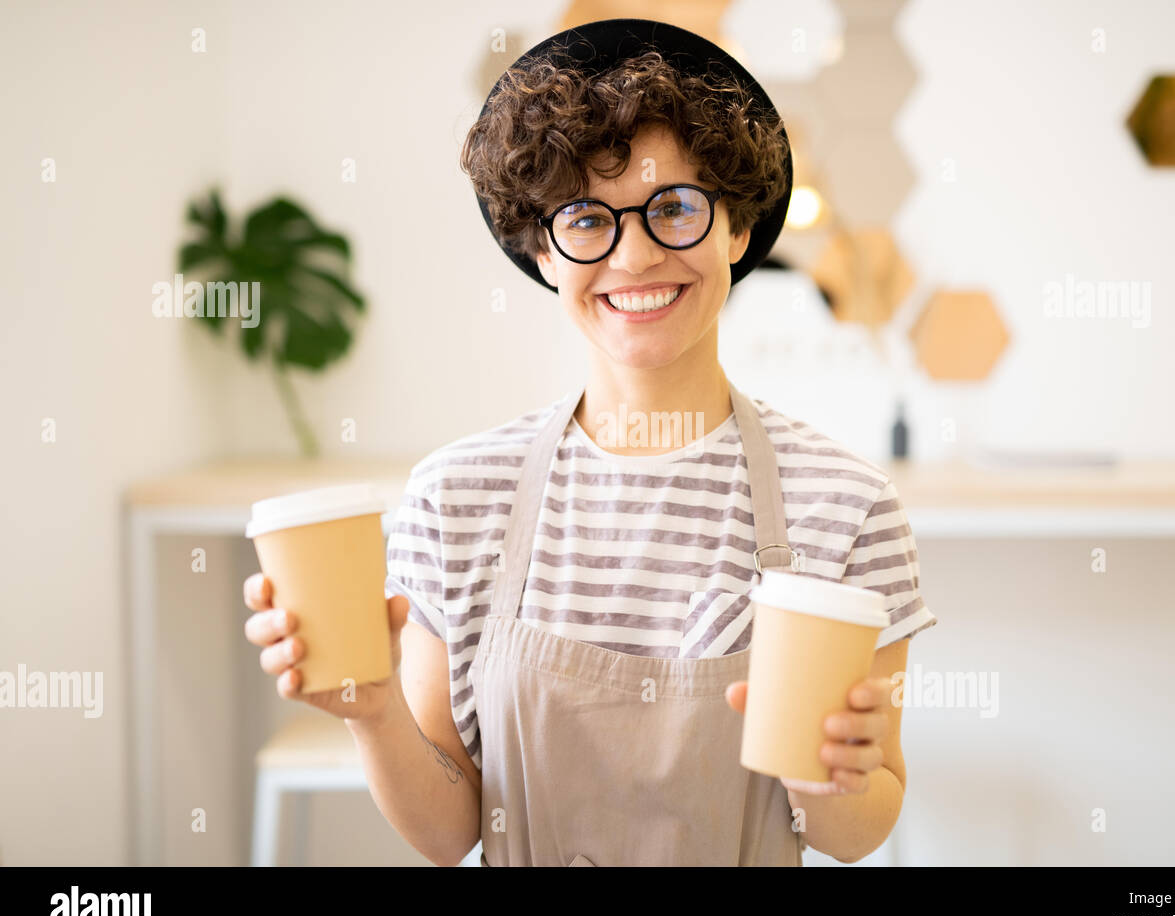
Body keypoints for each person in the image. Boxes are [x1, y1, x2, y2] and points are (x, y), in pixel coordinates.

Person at [242, 18, 936, 867]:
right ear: (542, 249)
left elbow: (859, 834)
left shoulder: (847, 505)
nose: (635, 256)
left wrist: (836, 777)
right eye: (584, 217)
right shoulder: (456, 497)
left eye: (674, 207)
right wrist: (375, 710)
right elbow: (447, 831)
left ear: (739, 229)